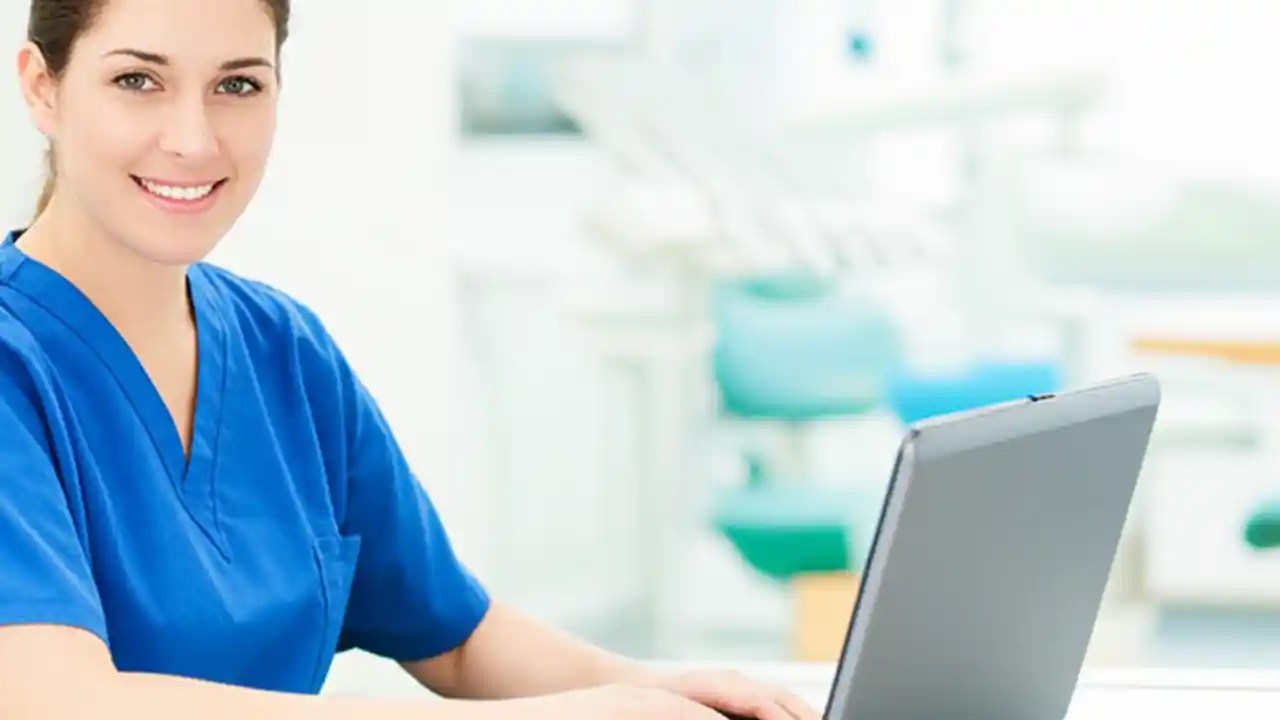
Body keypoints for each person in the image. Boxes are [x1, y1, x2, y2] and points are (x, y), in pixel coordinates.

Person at [0, 1, 824, 719]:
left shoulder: (283, 351)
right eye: (138, 81)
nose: (193, 137)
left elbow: (460, 642)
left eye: (238, 84)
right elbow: (65, 703)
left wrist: (667, 694)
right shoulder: (16, 366)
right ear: (42, 85)